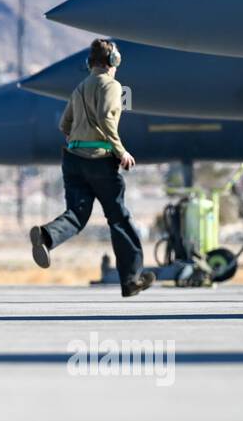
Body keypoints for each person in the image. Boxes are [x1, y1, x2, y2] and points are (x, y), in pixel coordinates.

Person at [29, 39, 154, 298]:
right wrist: (121, 151)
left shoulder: (80, 88)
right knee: (119, 218)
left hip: (73, 159)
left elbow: (64, 125)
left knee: (76, 214)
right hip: (100, 161)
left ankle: (46, 236)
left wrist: (80, 140)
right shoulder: (112, 86)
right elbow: (107, 118)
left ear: (89, 63)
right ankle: (131, 279)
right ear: (113, 62)